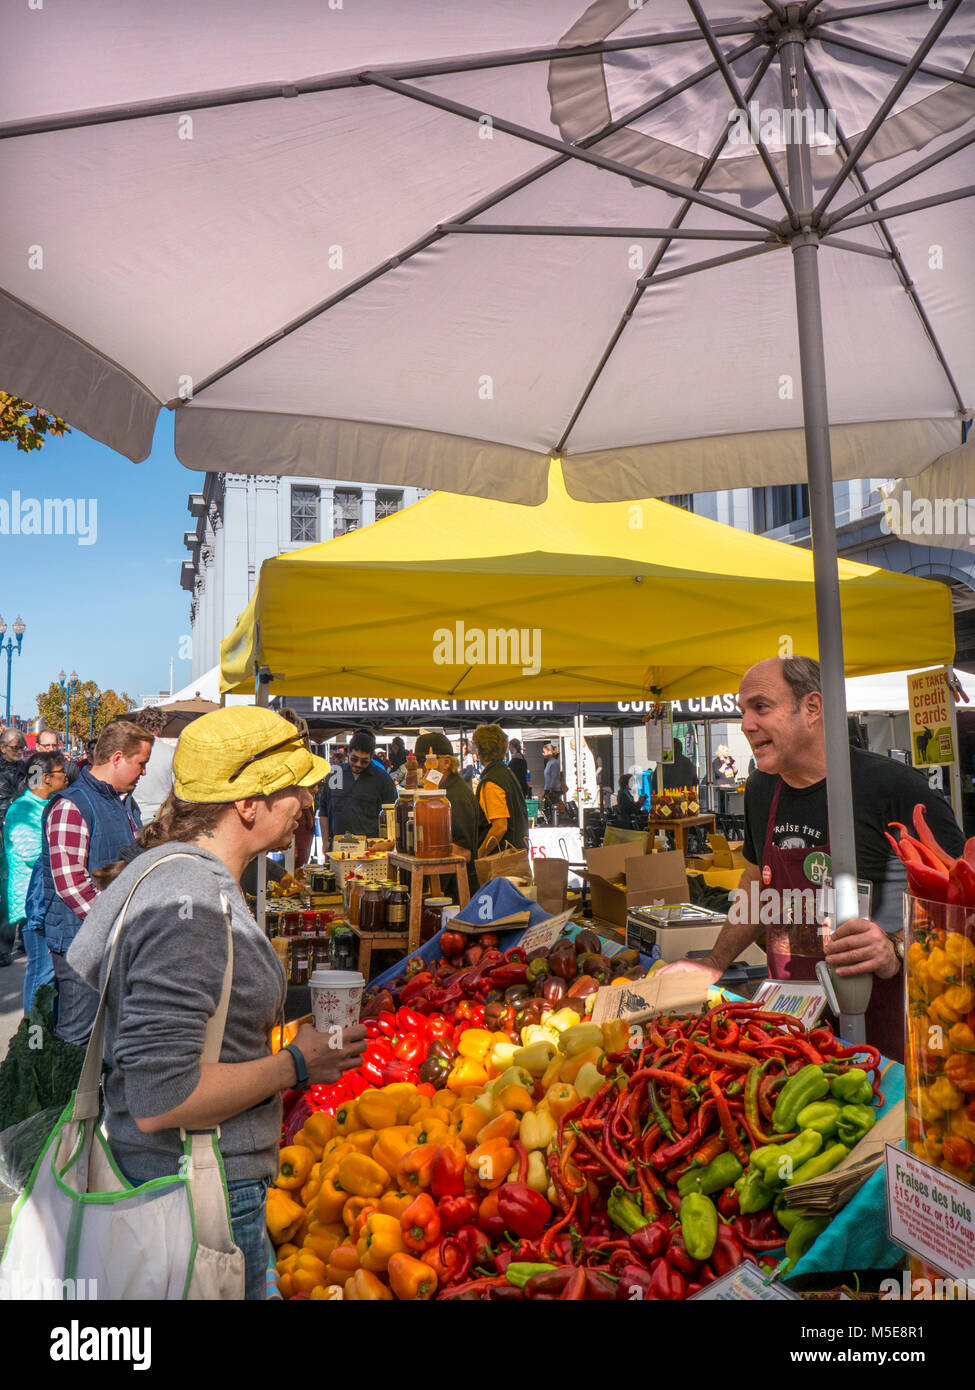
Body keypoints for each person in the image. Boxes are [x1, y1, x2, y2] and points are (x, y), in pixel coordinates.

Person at [66, 706, 367, 1300]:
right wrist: (297, 1064)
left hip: (174, 1181)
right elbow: (161, 1096)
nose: (306, 799)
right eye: (292, 786)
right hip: (198, 1193)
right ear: (247, 803)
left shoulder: (163, 873)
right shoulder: (193, 903)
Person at [661, 655, 964, 1061]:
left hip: (886, 1034)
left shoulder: (893, 787)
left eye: (760, 707)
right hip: (791, 1032)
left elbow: (960, 912)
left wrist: (895, 949)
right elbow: (756, 885)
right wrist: (715, 963)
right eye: (743, 711)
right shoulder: (760, 789)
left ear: (813, 707)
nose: (745, 724)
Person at [34, 720, 152, 1045]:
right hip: (80, 942)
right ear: (117, 758)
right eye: (140, 763)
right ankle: (67, 1097)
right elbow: (71, 885)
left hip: (108, 939)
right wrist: (118, 921)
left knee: (106, 1037)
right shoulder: (72, 805)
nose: (143, 772)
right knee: (78, 1037)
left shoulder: (119, 801)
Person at [4, 751, 68, 1002]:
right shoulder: (23, 808)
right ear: (47, 778)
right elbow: (28, 850)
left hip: (42, 897)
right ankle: (34, 1034)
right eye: (62, 772)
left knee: (47, 969)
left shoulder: (44, 804)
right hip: (33, 902)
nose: (67, 776)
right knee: (41, 969)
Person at [413, 731, 479, 893]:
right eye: (418, 761)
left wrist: (420, 847)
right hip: (445, 885)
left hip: (457, 891)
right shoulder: (441, 792)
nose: (421, 768)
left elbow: (464, 851)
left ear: (446, 763)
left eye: (425, 761)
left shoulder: (455, 796)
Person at [318, 728, 397, 847]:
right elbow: (323, 810)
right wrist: (325, 841)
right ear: (348, 752)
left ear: (371, 757)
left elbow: (393, 815)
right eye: (354, 759)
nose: (358, 765)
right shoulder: (336, 773)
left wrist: (388, 844)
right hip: (336, 846)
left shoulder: (382, 779)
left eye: (364, 761)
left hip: (369, 849)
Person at [472, 724, 529, 857]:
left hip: (502, 860)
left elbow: (500, 827)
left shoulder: (492, 781)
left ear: (480, 751)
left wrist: (480, 854)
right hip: (517, 855)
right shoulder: (506, 773)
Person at [132, 707, 175, 824]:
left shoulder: (129, 750)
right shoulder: (171, 753)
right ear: (160, 727)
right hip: (160, 816)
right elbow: (176, 788)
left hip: (132, 814)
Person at [541, 741, 565, 824]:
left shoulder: (554, 763)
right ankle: (553, 822)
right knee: (550, 808)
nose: (542, 754)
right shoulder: (549, 763)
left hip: (554, 789)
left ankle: (556, 823)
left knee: (554, 808)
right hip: (549, 789)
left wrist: (550, 789)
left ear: (550, 752)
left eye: (544, 752)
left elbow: (554, 777)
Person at [712, 743, 738, 815]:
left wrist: (734, 766)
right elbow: (718, 773)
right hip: (722, 786)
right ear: (721, 751)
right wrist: (725, 764)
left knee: (732, 802)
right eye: (726, 751)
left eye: (728, 751)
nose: (728, 752)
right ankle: (723, 817)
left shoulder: (730, 759)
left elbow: (734, 773)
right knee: (723, 803)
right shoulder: (716, 761)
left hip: (731, 784)